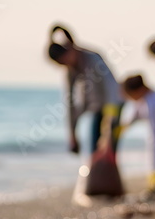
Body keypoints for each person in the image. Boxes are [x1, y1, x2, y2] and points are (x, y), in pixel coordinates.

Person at [46, 25, 124, 155]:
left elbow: (111, 88)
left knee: (108, 147)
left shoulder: (93, 59)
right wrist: (72, 135)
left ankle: (107, 173)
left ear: (69, 50)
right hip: (95, 109)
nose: (66, 65)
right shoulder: (70, 70)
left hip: (113, 106)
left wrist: (110, 120)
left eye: (65, 60)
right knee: (94, 148)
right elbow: (70, 102)